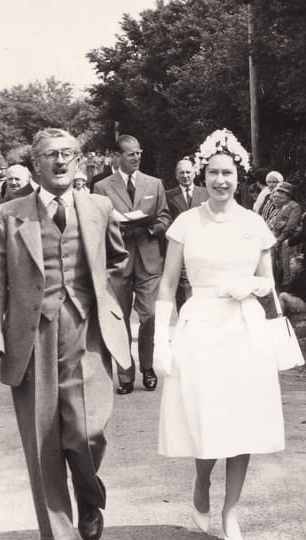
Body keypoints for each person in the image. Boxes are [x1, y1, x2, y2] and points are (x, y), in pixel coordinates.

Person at [0, 128, 131, 540]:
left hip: (88, 332)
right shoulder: (7, 215)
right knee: (43, 444)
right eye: (50, 155)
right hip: (31, 339)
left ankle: (90, 497)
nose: (60, 161)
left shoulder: (97, 206)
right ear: (34, 164)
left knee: (86, 431)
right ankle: (59, 534)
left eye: (68, 154)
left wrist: (100, 297)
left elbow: (118, 259)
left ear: (77, 160)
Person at [154, 129, 283, 540]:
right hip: (202, 325)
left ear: (238, 177)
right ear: (202, 176)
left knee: (243, 421)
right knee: (207, 418)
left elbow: (269, 283)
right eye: (213, 173)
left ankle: (232, 511)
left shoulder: (255, 223)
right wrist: (161, 339)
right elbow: (166, 284)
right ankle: (201, 483)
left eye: (227, 173)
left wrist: (255, 287)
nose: (220, 180)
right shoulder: (185, 223)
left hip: (244, 327)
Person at [93, 134, 171, 395]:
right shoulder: (102, 187)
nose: (136, 157)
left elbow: (164, 218)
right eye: (130, 154)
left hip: (148, 261)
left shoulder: (154, 184)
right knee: (120, 319)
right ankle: (125, 374)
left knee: (149, 317)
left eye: (139, 152)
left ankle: (147, 367)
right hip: (118, 262)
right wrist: (117, 227)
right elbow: (98, 223)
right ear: (117, 157)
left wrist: (152, 228)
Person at [166, 157, 209, 307]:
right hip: (181, 250)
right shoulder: (168, 196)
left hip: (203, 248)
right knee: (184, 291)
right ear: (176, 175)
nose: (185, 176)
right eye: (181, 172)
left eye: (188, 172)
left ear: (195, 173)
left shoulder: (206, 193)